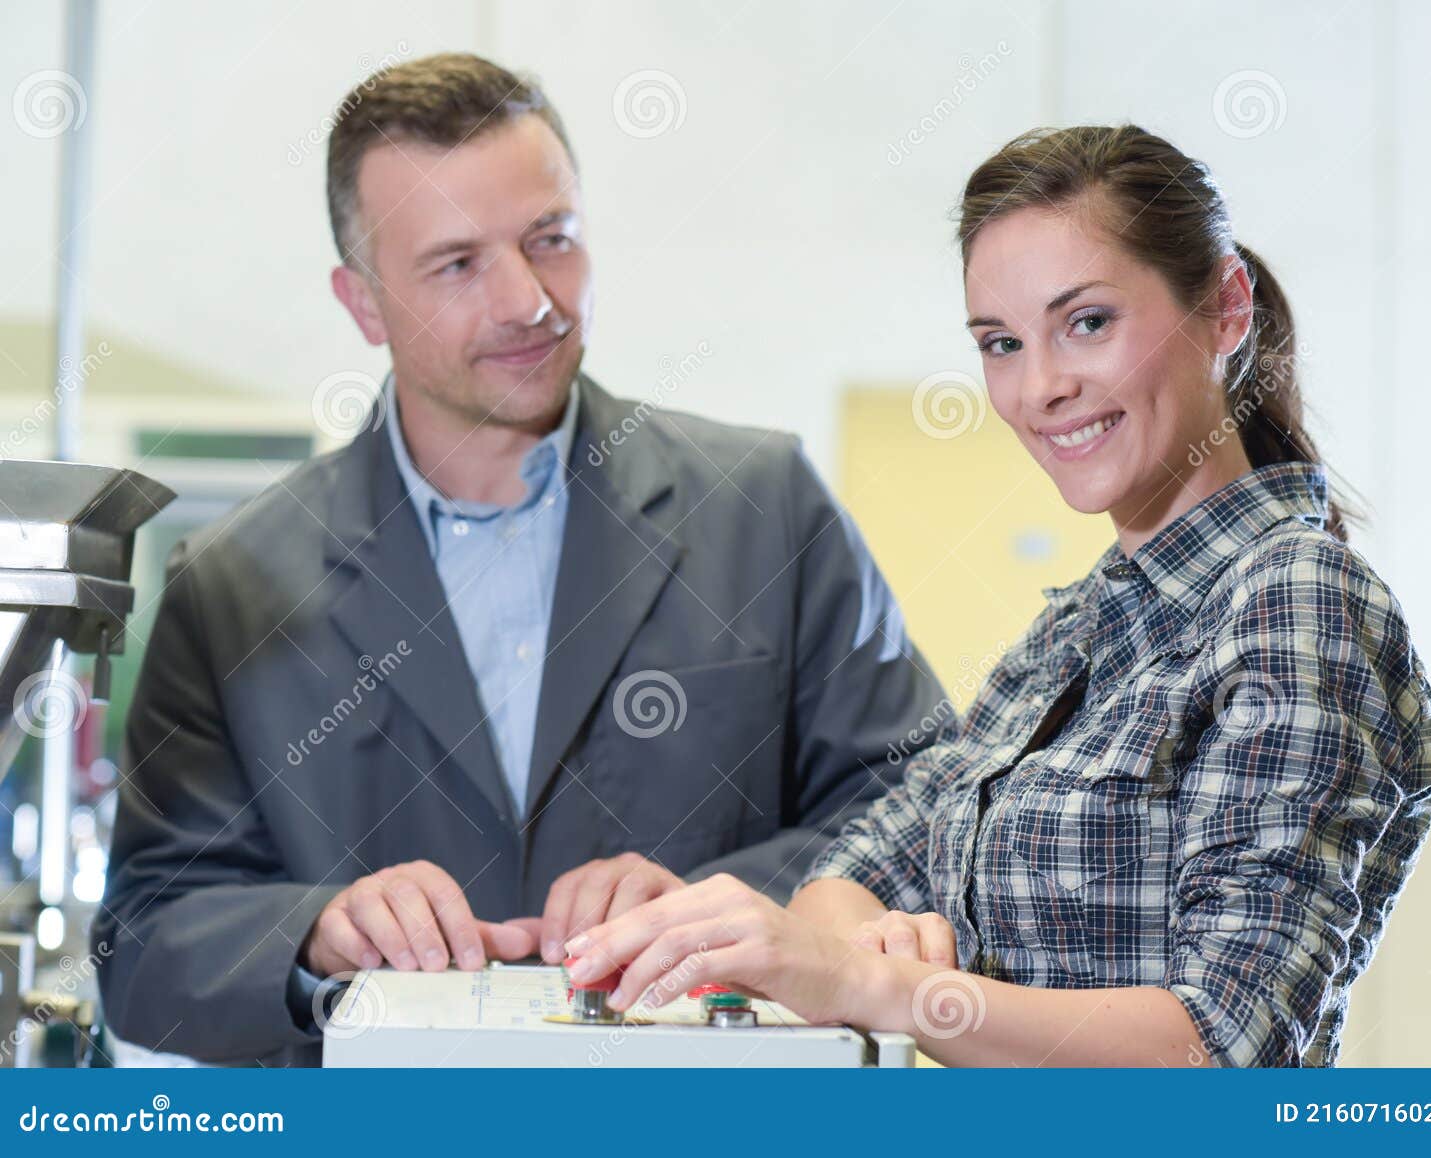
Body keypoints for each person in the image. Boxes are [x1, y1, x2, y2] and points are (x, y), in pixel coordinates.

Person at [93, 53, 945, 1067]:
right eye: (457, 264)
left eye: (552, 241)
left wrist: (734, 906)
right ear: (362, 302)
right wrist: (312, 935)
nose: (528, 300)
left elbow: (927, 804)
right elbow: (143, 944)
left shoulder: (763, 507)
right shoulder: (232, 584)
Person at [560, 125, 1431, 1068]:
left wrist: (885, 986)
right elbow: (855, 869)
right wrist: (872, 948)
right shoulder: (1075, 632)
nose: (1042, 387)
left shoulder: (1297, 597)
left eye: (1089, 322)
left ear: (1226, 310)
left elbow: (1227, 1048)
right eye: (1001, 343)